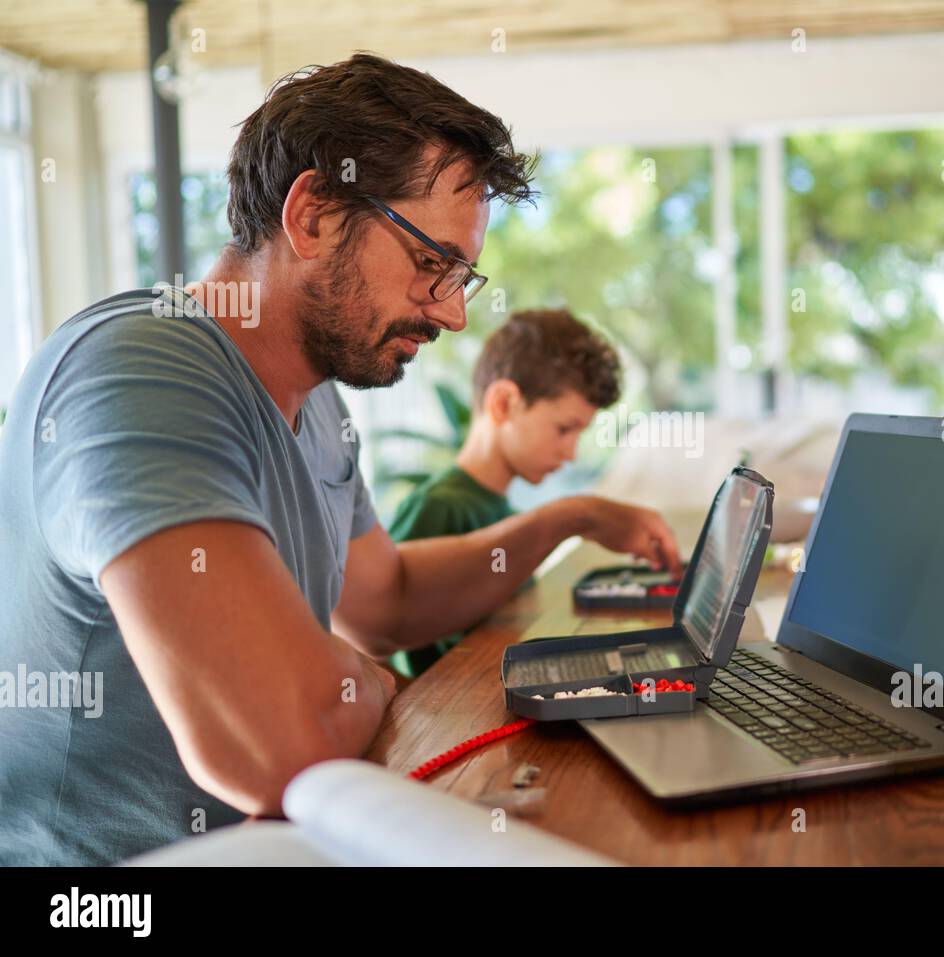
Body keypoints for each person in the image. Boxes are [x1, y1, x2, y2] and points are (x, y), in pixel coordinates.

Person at [0, 53, 680, 866]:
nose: (455, 315)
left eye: (463, 275)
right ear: (315, 214)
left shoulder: (319, 401)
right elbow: (282, 739)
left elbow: (385, 600)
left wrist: (570, 517)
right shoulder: (140, 368)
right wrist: (355, 681)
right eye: (434, 264)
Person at [388, 308, 625, 678]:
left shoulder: (508, 517)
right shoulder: (438, 508)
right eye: (564, 429)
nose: (571, 453)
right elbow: (381, 638)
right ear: (503, 403)